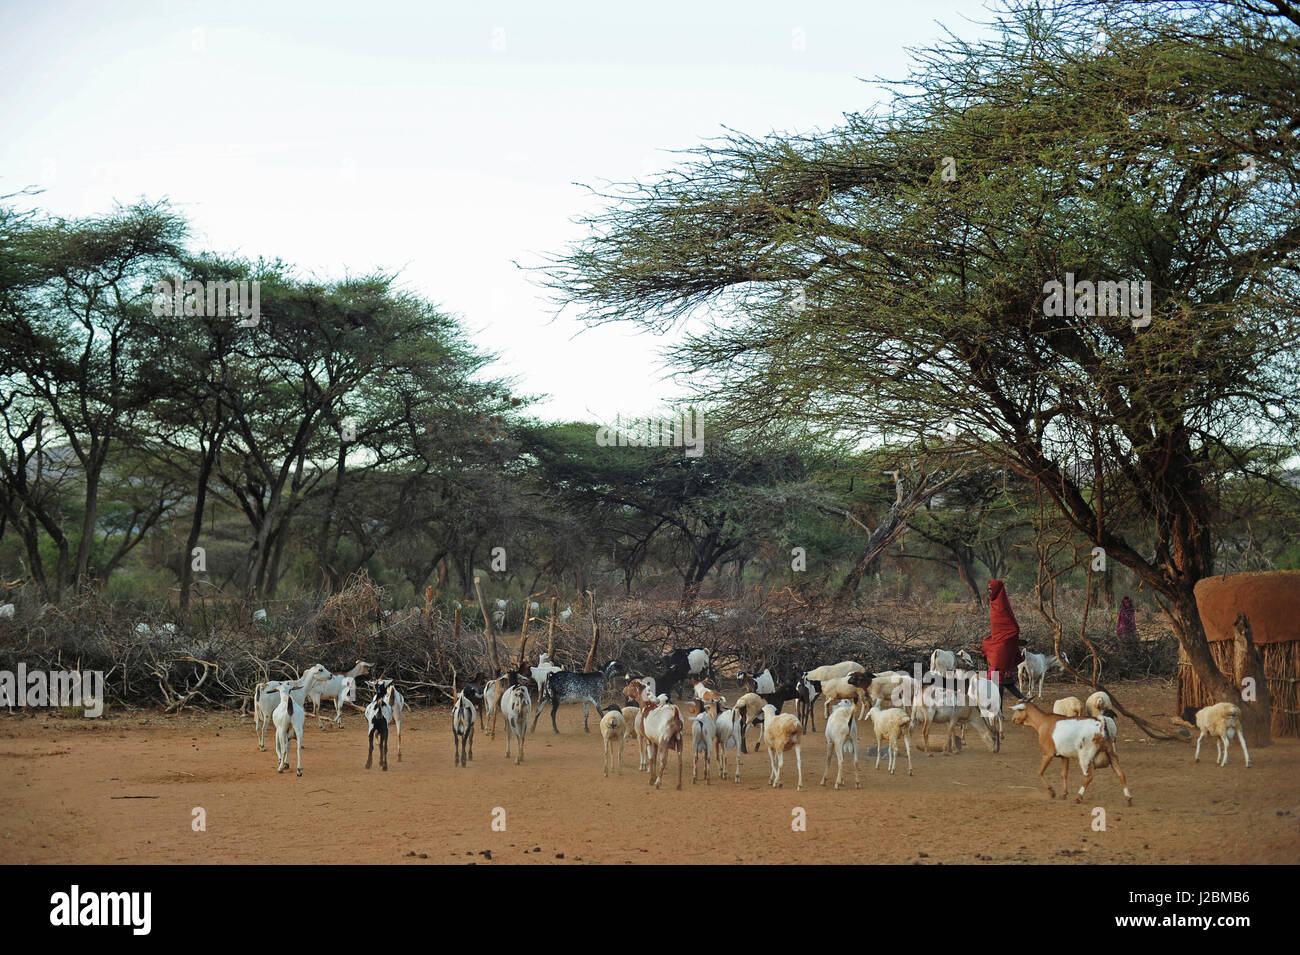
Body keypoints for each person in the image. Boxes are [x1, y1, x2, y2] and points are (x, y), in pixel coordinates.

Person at [982, 578, 1026, 700]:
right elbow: (997, 628)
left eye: (990, 589)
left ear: (996, 589)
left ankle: (1000, 708)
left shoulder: (1002, 605)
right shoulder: (995, 603)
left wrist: (1006, 641)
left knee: (999, 680)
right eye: (988, 589)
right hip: (998, 644)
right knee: (1001, 680)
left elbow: (1013, 627)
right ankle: (1023, 699)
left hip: (1002, 647)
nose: (989, 591)